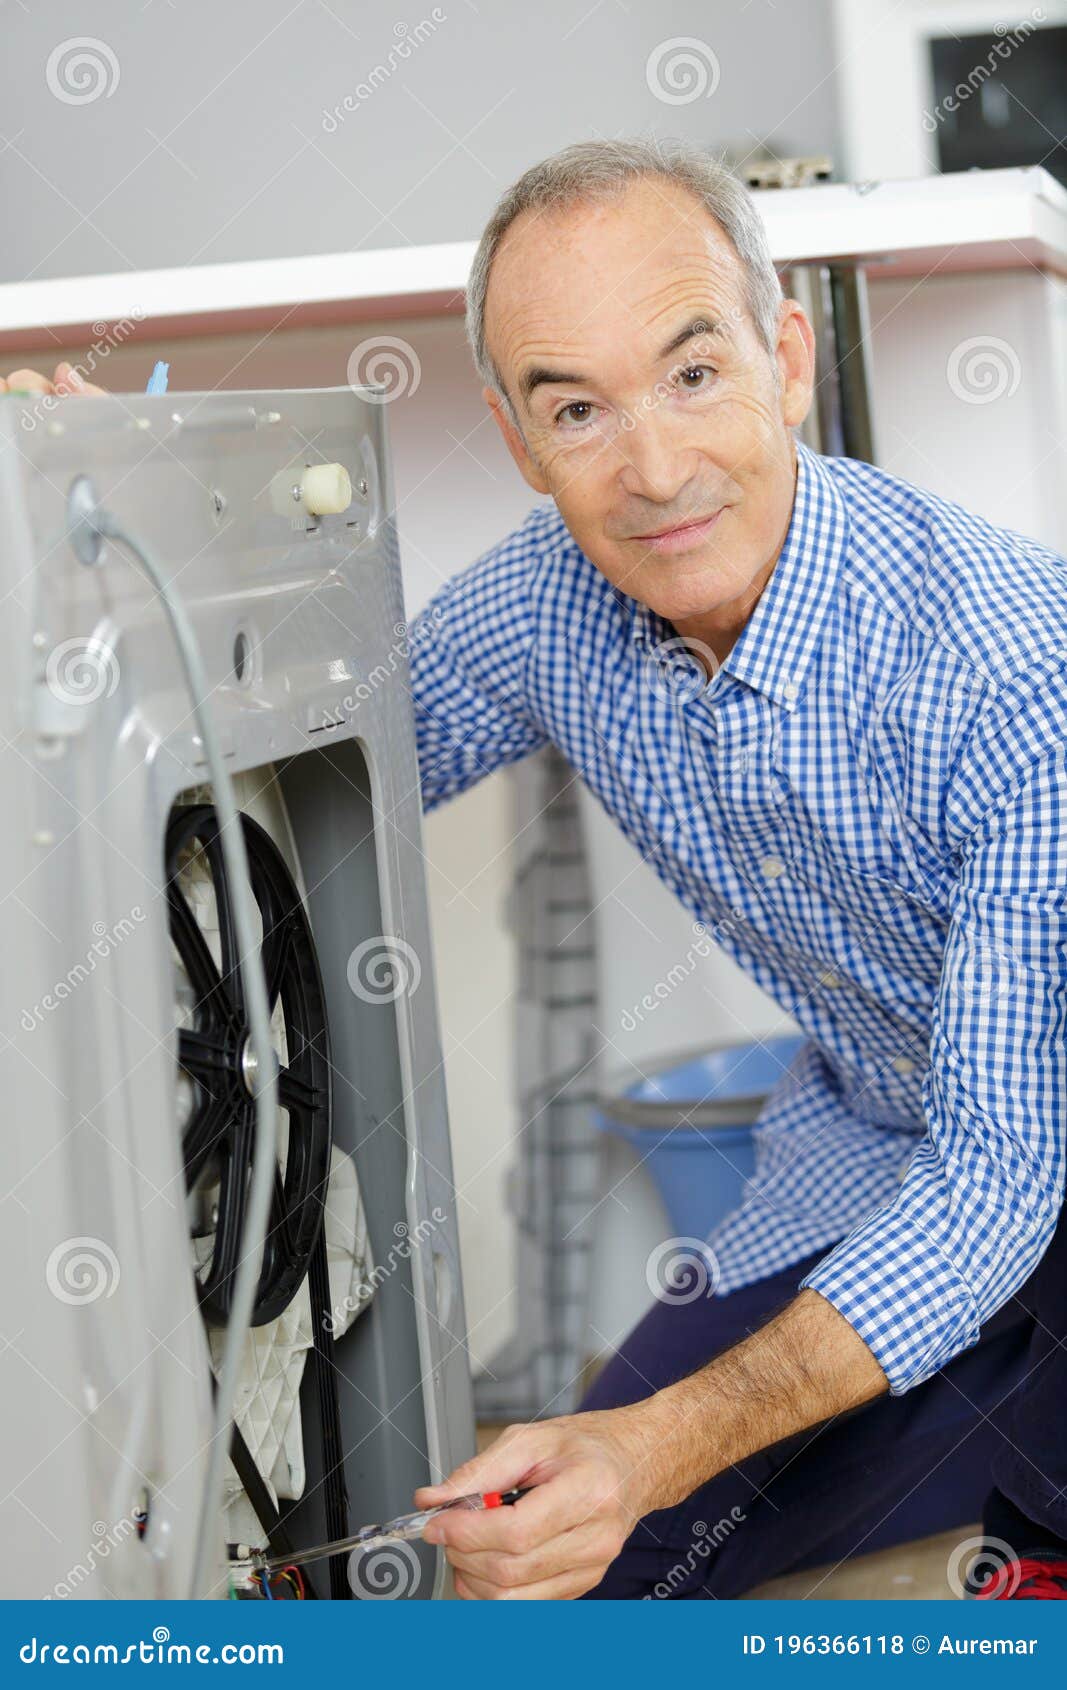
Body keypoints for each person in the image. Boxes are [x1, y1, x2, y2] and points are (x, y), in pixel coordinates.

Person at [9, 137, 1067, 1603]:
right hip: (877, 1157)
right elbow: (321, 748)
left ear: (788, 358)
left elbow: (1004, 1184)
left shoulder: (1013, 667)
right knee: (595, 1565)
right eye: (579, 407)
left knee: (933, 1518)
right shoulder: (549, 602)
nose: (652, 469)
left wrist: (665, 1439)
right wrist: (118, 540)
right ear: (519, 437)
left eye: (694, 374)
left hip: (1019, 1180)